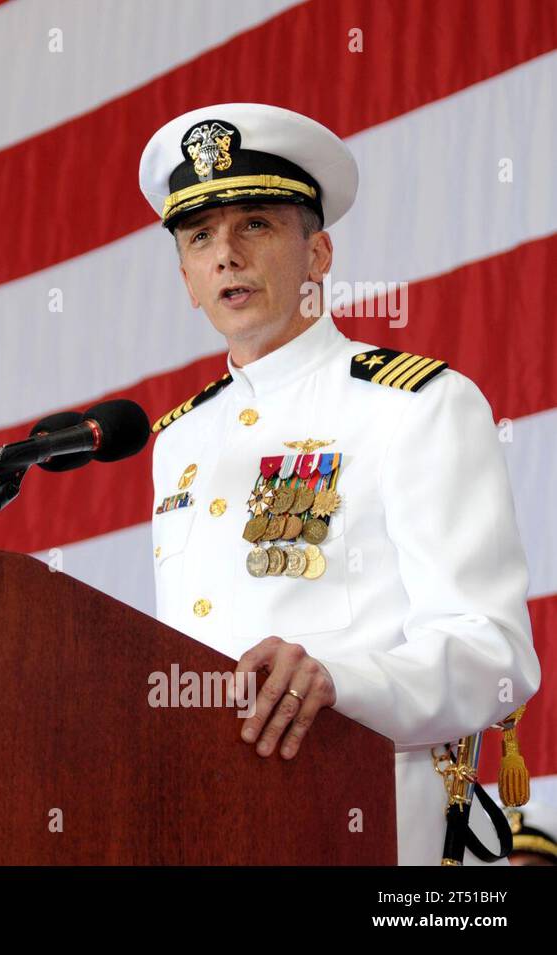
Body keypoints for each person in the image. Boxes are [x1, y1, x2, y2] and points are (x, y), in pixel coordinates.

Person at [137, 102, 541, 865]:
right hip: (206, 826)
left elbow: (494, 657)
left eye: (254, 224)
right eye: (200, 237)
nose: (226, 254)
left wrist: (338, 681)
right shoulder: (176, 441)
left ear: (317, 253)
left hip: (370, 827)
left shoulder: (415, 404)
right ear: (188, 280)